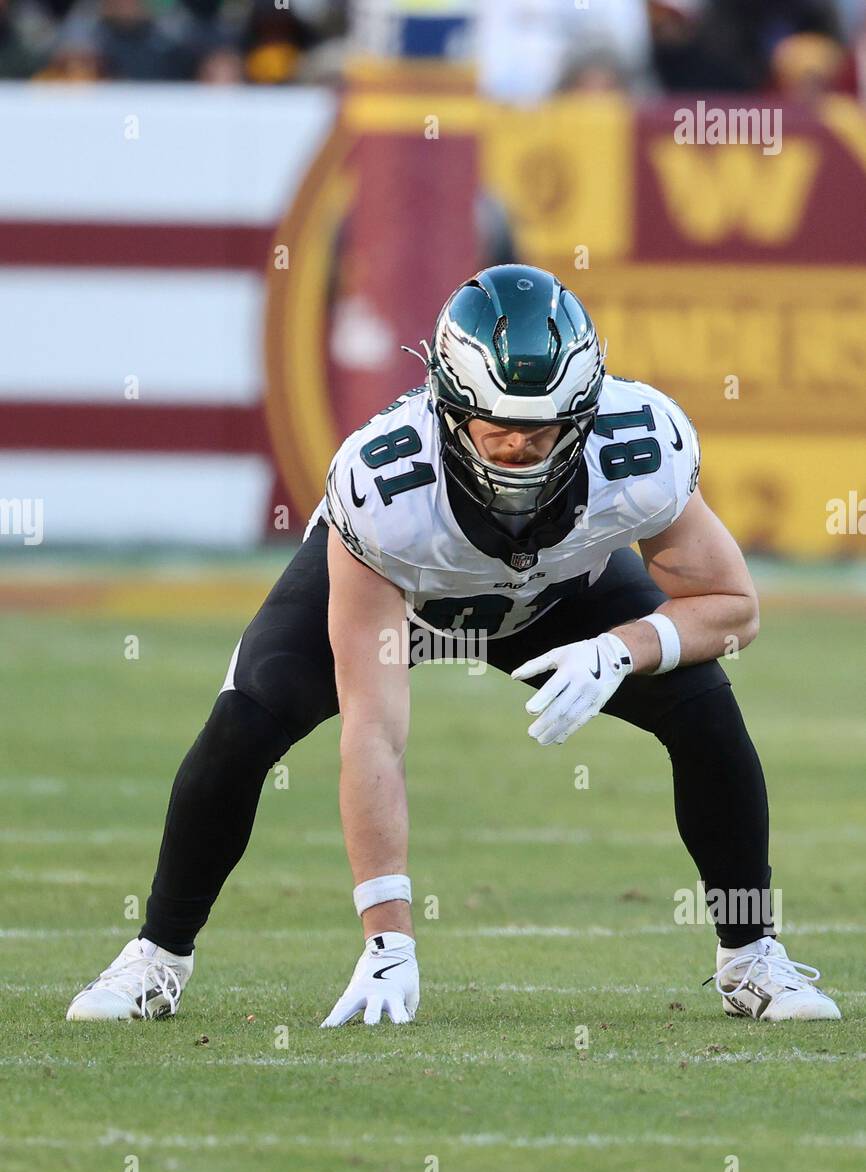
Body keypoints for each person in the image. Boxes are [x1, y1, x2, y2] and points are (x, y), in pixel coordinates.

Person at [66, 264, 840, 1025]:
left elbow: (732, 606)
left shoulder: (638, 448)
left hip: (557, 595)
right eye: (496, 425)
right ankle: (156, 960)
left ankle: (751, 958)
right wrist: (387, 936)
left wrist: (622, 649)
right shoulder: (387, 495)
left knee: (704, 710)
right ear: (446, 406)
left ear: (587, 413)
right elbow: (376, 734)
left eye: (541, 430)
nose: (517, 449)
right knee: (244, 725)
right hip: (406, 595)